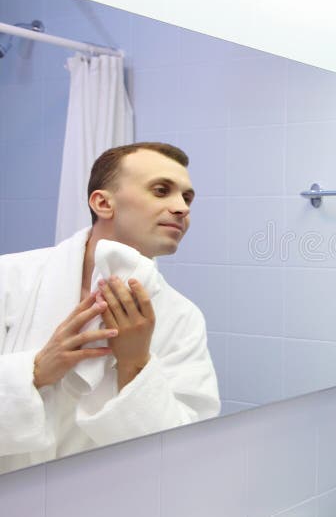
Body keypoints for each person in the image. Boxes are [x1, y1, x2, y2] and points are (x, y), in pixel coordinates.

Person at [0, 142, 220, 474]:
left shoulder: (182, 317)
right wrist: (35, 371)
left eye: (187, 198)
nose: (181, 208)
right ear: (103, 202)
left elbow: (183, 453)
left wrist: (135, 364)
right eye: (161, 191)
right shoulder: (10, 279)